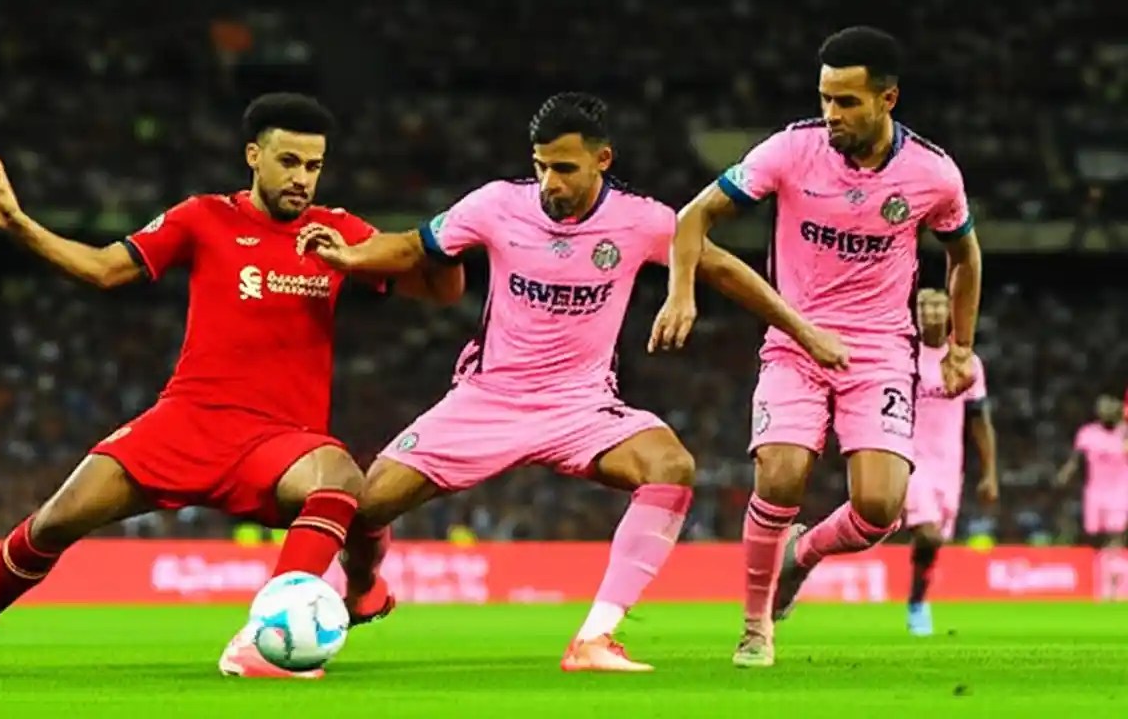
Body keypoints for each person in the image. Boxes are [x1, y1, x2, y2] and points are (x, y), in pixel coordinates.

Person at [0, 93, 462, 680]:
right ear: (254, 156)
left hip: (281, 439)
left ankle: (264, 641)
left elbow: (440, 289)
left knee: (341, 479)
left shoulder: (338, 230)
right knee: (56, 520)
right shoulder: (203, 218)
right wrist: (19, 225)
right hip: (187, 422)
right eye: (288, 162)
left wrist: (440, 239)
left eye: (313, 166)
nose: (301, 179)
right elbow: (104, 270)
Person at [301, 92, 845, 672]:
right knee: (363, 509)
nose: (548, 182)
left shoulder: (638, 220)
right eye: (540, 166)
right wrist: (355, 258)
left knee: (672, 465)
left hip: (581, 407)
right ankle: (361, 590)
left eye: (563, 168)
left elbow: (720, 267)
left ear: (601, 159)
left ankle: (595, 638)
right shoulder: (496, 205)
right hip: (488, 400)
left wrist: (804, 332)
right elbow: (414, 246)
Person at [656, 26, 983, 668]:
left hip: (882, 351)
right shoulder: (790, 150)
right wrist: (681, 290)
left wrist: (960, 345)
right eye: (826, 98)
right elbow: (694, 216)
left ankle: (801, 555)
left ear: (887, 99)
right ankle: (756, 628)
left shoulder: (932, 174)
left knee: (881, 508)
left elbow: (964, 257)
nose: (832, 113)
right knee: (778, 476)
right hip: (796, 340)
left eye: (848, 101)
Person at [903, 288, 997, 635]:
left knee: (934, 543)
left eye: (938, 304)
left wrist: (989, 473)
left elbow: (979, 420)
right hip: (911, 461)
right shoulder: (903, 357)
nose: (930, 311)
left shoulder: (966, 362)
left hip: (948, 466)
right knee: (927, 535)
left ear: (950, 310)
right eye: (924, 304)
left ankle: (917, 600)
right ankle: (916, 601)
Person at [1057, 393, 1128, 598]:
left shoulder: (1124, 433)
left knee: (1115, 538)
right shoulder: (1087, 433)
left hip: (1120, 493)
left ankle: (1118, 586)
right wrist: (1065, 474)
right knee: (1097, 540)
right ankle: (1104, 581)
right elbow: (1076, 458)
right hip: (1095, 494)